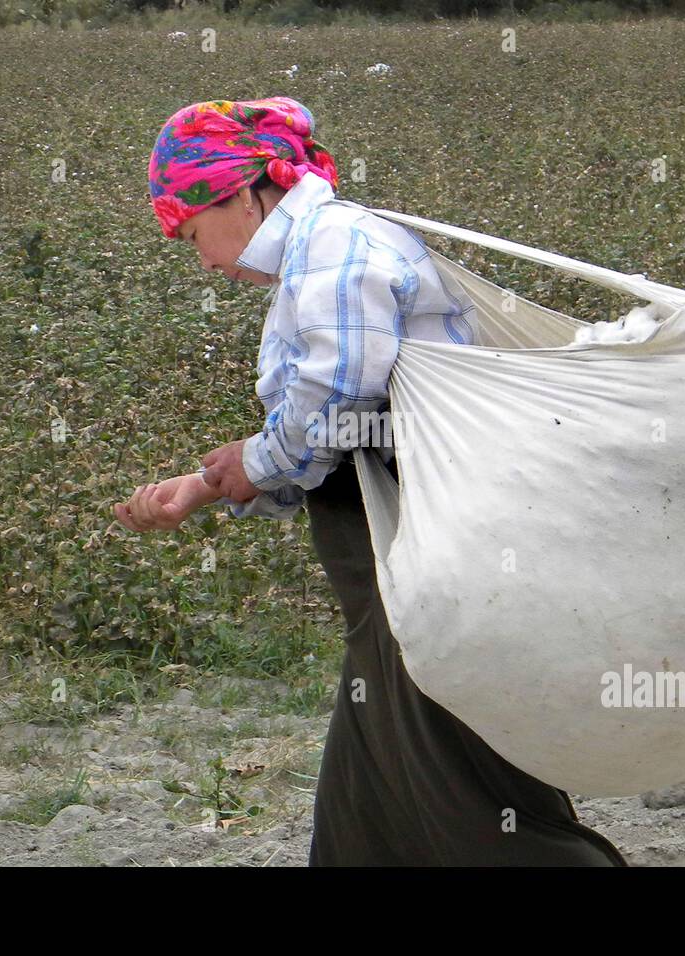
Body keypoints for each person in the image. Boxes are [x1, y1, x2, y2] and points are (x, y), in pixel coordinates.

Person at [113, 96, 628, 867]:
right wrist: (213, 482)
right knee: (377, 798)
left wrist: (251, 465)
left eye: (193, 234)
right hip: (394, 569)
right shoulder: (321, 251)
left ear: (246, 191)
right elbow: (333, 422)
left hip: (426, 555)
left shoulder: (335, 249)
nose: (205, 263)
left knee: (460, 796)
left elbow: (338, 396)